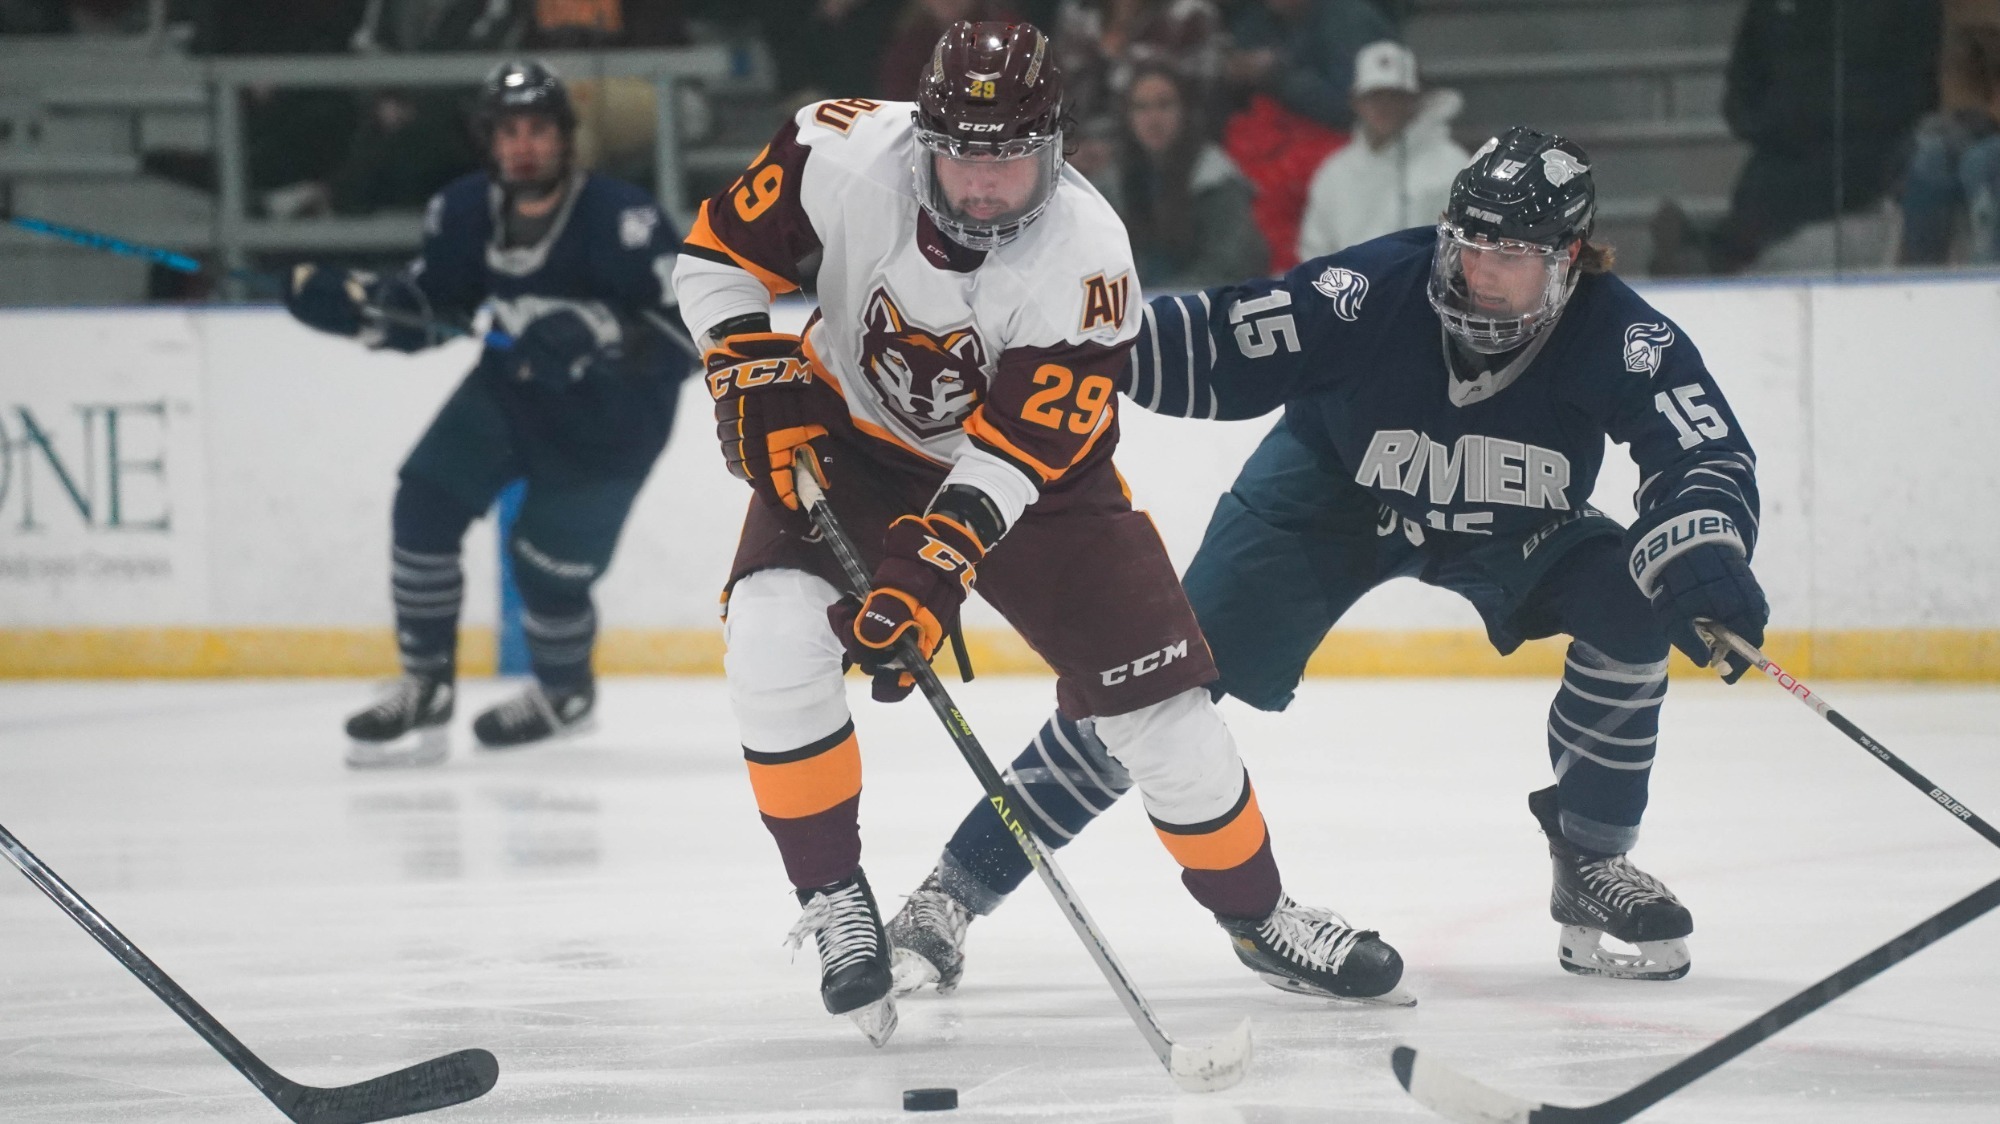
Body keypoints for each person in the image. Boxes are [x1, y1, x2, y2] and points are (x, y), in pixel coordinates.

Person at [889, 126, 1770, 993]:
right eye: (1468, 247)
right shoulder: (1374, 289)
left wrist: (1701, 545)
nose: (1478, 274)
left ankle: (1591, 860)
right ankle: (951, 894)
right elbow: (1217, 339)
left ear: (1569, 258)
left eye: (1511, 257)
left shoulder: (1623, 336)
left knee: (1634, 609)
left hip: (1510, 523)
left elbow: (1703, 455)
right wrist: (1061, 341)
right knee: (1146, 685)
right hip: (1321, 504)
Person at [672, 19, 1409, 1048]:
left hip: (1036, 483)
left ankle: (1258, 913)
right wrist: (743, 359)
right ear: (925, 138)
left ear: (1054, 149)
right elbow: (712, 260)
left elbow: (1011, 458)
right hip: (853, 441)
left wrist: (931, 566)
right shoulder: (831, 148)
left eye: (1010, 161)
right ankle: (835, 895)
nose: (983, 187)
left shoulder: (1090, 260)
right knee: (767, 629)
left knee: (1167, 713)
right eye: (964, 158)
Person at [284, 60, 694, 766]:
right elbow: (433, 308)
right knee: (424, 504)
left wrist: (598, 336)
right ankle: (425, 685)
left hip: (613, 424)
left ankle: (565, 693)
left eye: (538, 129)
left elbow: (692, 333)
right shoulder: (465, 209)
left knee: (545, 570)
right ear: (489, 141)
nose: (523, 146)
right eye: (509, 133)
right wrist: (359, 308)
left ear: (566, 139)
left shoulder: (621, 219)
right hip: (511, 391)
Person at [1096, 62, 1267, 290]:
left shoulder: (1214, 180)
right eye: (1141, 107)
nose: (1153, 119)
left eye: (1164, 105)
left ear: (1186, 111)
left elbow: (1230, 266)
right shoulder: (1111, 183)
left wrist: (1163, 302)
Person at [1296, 40, 1467, 260]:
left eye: (1395, 95)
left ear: (1414, 100)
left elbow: (1461, 250)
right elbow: (1314, 250)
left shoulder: (1452, 165)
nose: (1384, 105)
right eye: (1374, 96)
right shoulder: (1334, 172)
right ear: (1356, 102)